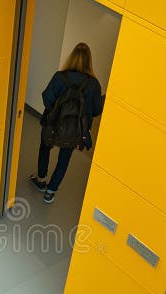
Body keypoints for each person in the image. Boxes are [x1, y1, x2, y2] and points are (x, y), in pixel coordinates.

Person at [29, 42, 103, 204]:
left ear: (72, 57)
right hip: (74, 130)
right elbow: (97, 110)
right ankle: (51, 191)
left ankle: (41, 180)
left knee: (45, 148)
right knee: (64, 158)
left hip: (52, 124)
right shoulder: (93, 85)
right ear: (89, 61)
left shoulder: (60, 77)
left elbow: (46, 99)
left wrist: (58, 110)